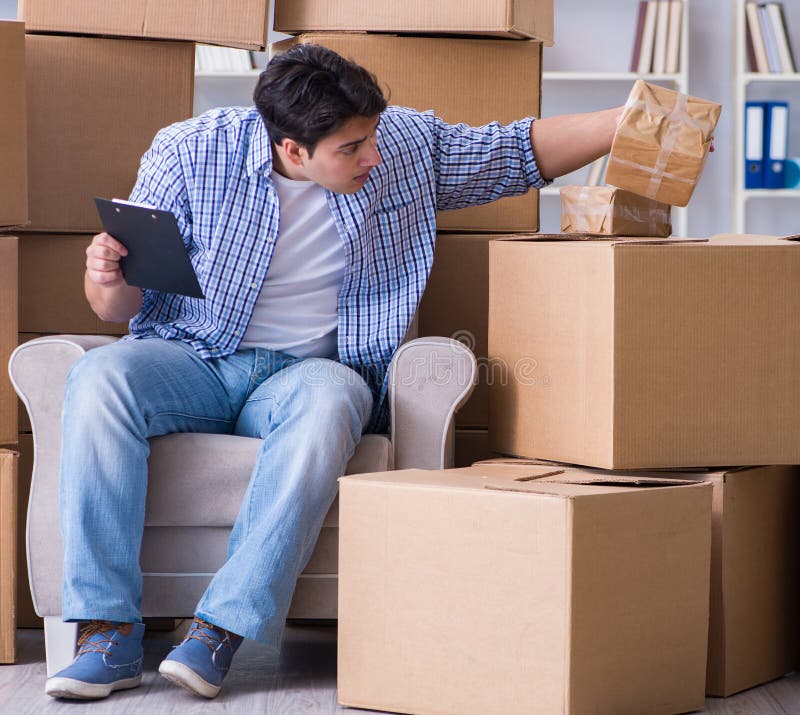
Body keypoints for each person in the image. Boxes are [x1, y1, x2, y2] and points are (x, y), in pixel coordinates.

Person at [44, 43, 622, 701]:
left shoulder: (398, 147)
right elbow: (121, 306)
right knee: (97, 378)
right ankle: (106, 634)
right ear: (291, 149)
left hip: (308, 373)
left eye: (370, 136)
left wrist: (635, 120)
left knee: (334, 399)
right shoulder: (190, 152)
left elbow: (519, 152)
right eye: (351, 148)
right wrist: (104, 277)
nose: (370, 155)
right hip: (195, 356)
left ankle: (217, 630)